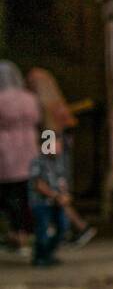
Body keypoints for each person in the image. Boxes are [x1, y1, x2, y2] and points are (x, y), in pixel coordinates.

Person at [27, 67, 94, 247]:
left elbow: (51, 146)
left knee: (55, 194)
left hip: (53, 158)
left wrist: (44, 149)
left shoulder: (46, 107)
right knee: (59, 195)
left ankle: (77, 227)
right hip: (60, 153)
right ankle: (73, 228)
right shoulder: (57, 104)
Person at [0, 61, 39, 252]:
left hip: (7, 150)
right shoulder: (29, 98)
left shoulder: (1, 99)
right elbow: (40, 122)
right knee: (26, 194)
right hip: (29, 147)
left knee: (10, 195)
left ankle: (17, 234)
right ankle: (28, 232)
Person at [28, 130, 71, 267]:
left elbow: (62, 181)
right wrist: (56, 196)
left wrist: (64, 195)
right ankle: (40, 257)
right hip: (41, 202)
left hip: (56, 202)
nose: (59, 147)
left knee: (62, 227)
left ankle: (48, 253)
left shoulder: (59, 162)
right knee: (43, 229)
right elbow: (38, 184)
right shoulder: (38, 161)